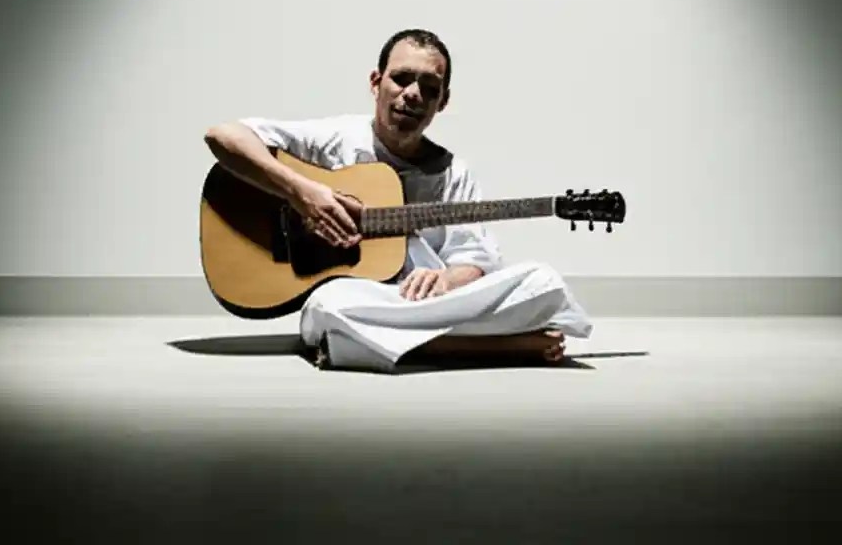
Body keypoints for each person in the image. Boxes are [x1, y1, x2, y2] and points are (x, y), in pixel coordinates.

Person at [203, 28, 593, 371]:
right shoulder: (335, 138)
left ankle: (377, 345)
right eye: (401, 79)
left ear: (442, 101)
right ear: (376, 82)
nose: (412, 95)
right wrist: (303, 193)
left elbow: (474, 259)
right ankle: (494, 346)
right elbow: (223, 137)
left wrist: (445, 278)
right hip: (360, 296)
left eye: (429, 88)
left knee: (542, 282)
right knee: (329, 305)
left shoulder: (452, 173)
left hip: (415, 302)